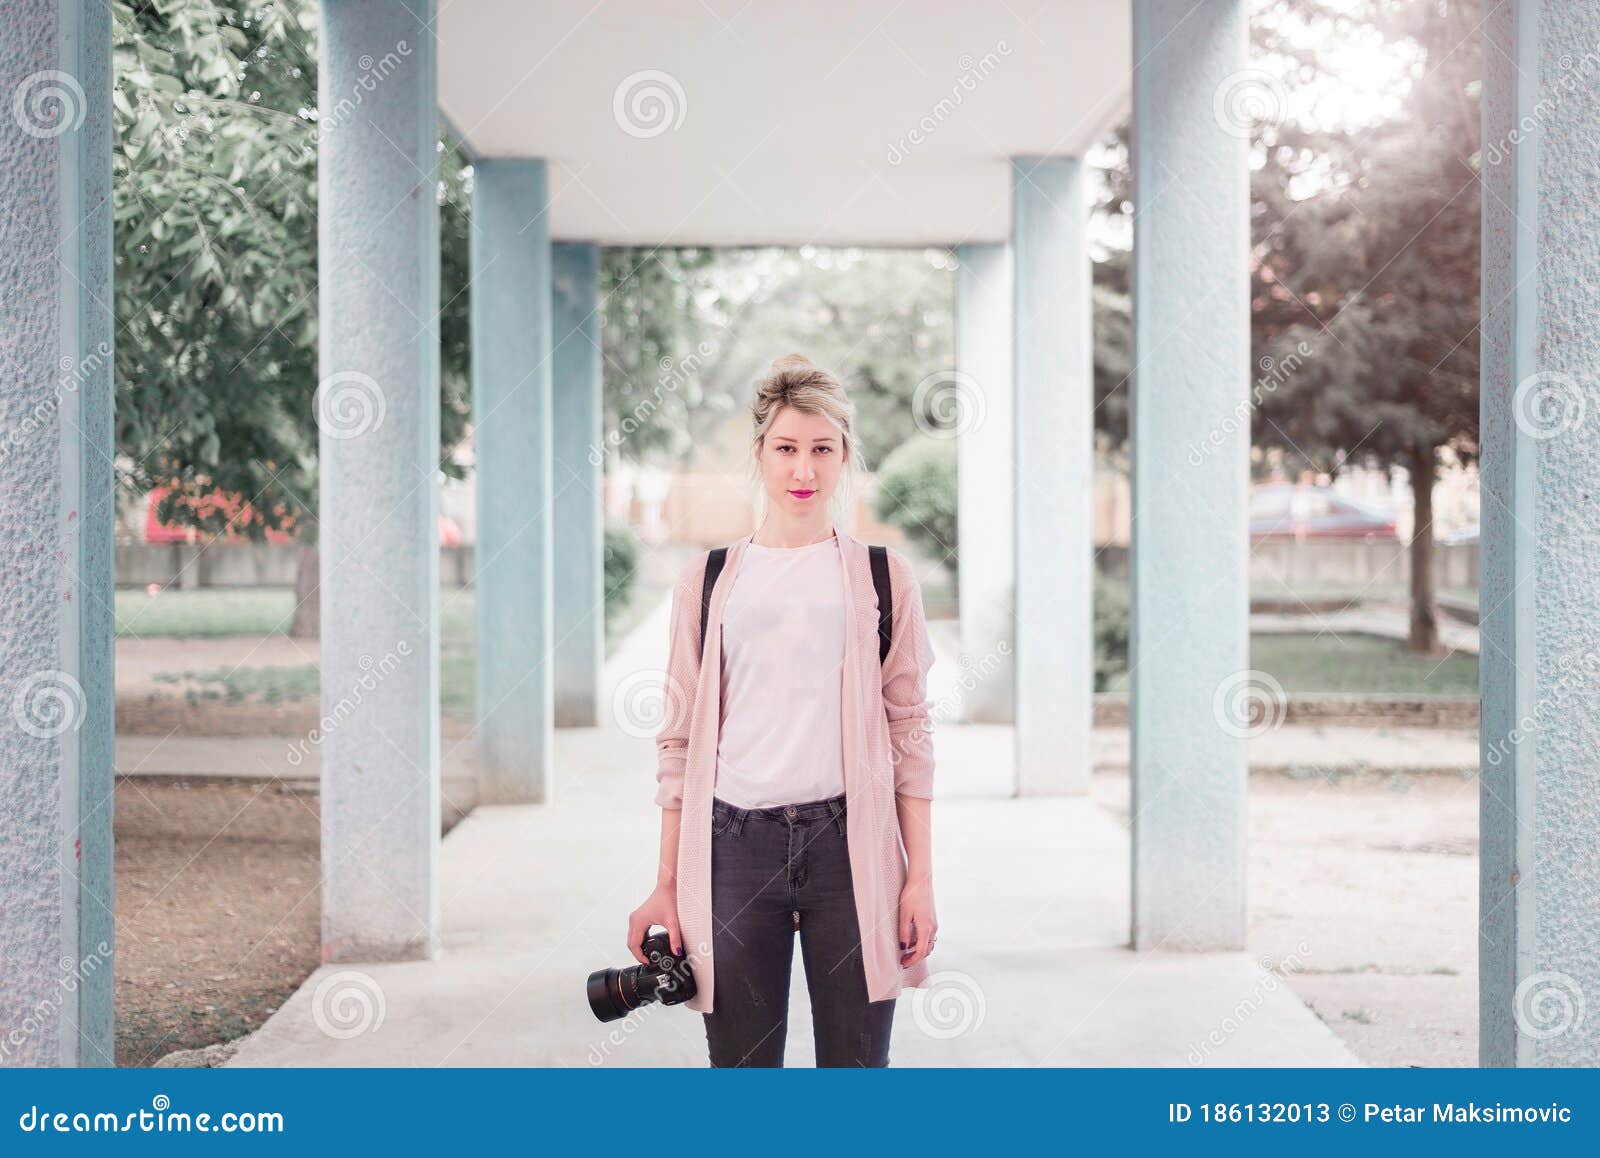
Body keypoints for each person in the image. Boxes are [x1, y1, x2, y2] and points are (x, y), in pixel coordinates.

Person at [626, 352, 939, 1067]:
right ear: (760, 455)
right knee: (744, 1075)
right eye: (787, 449)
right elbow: (676, 743)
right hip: (733, 848)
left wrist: (918, 875)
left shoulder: (883, 577)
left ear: (845, 456)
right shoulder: (708, 581)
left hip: (848, 845)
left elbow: (910, 733)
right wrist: (667, 884)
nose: (804, 470)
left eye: (822, 450)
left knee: (856, 1074)